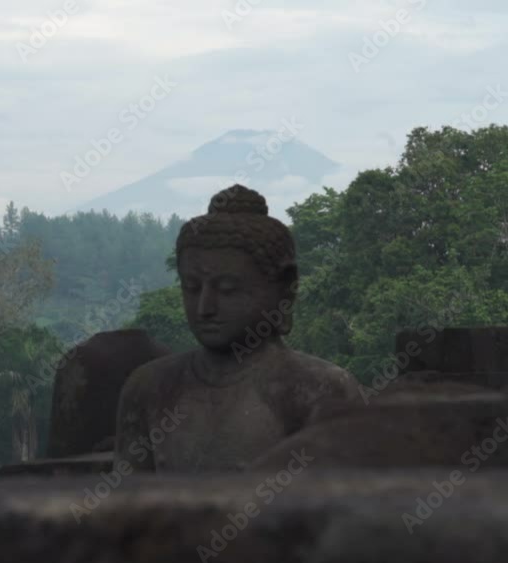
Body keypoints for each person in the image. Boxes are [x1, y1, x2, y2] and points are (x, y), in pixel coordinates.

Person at [114, 185, 357, 472]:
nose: (205, 307)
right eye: (191, 288)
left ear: (284, 288)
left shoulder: (319, 389)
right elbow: (128, 507)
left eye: (228, 289)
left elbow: (342, 507)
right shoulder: (149, 387)